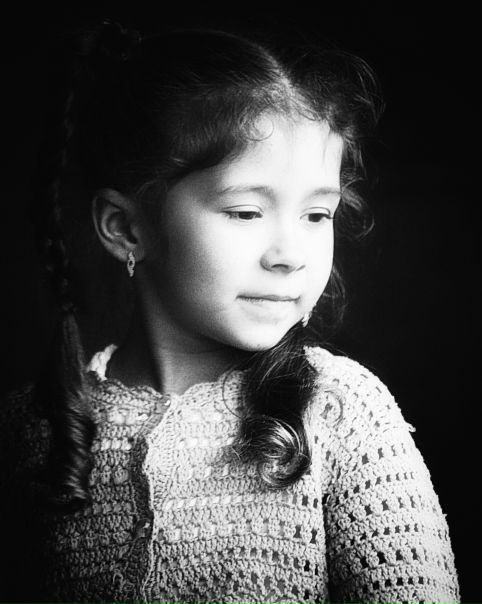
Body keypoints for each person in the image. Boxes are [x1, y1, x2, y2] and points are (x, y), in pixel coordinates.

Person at [0, 20, 459, 604]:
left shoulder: (341, 412)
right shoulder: (29, 433)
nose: (290, 255)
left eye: (317, 215)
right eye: (245, 212)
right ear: (126, 228)